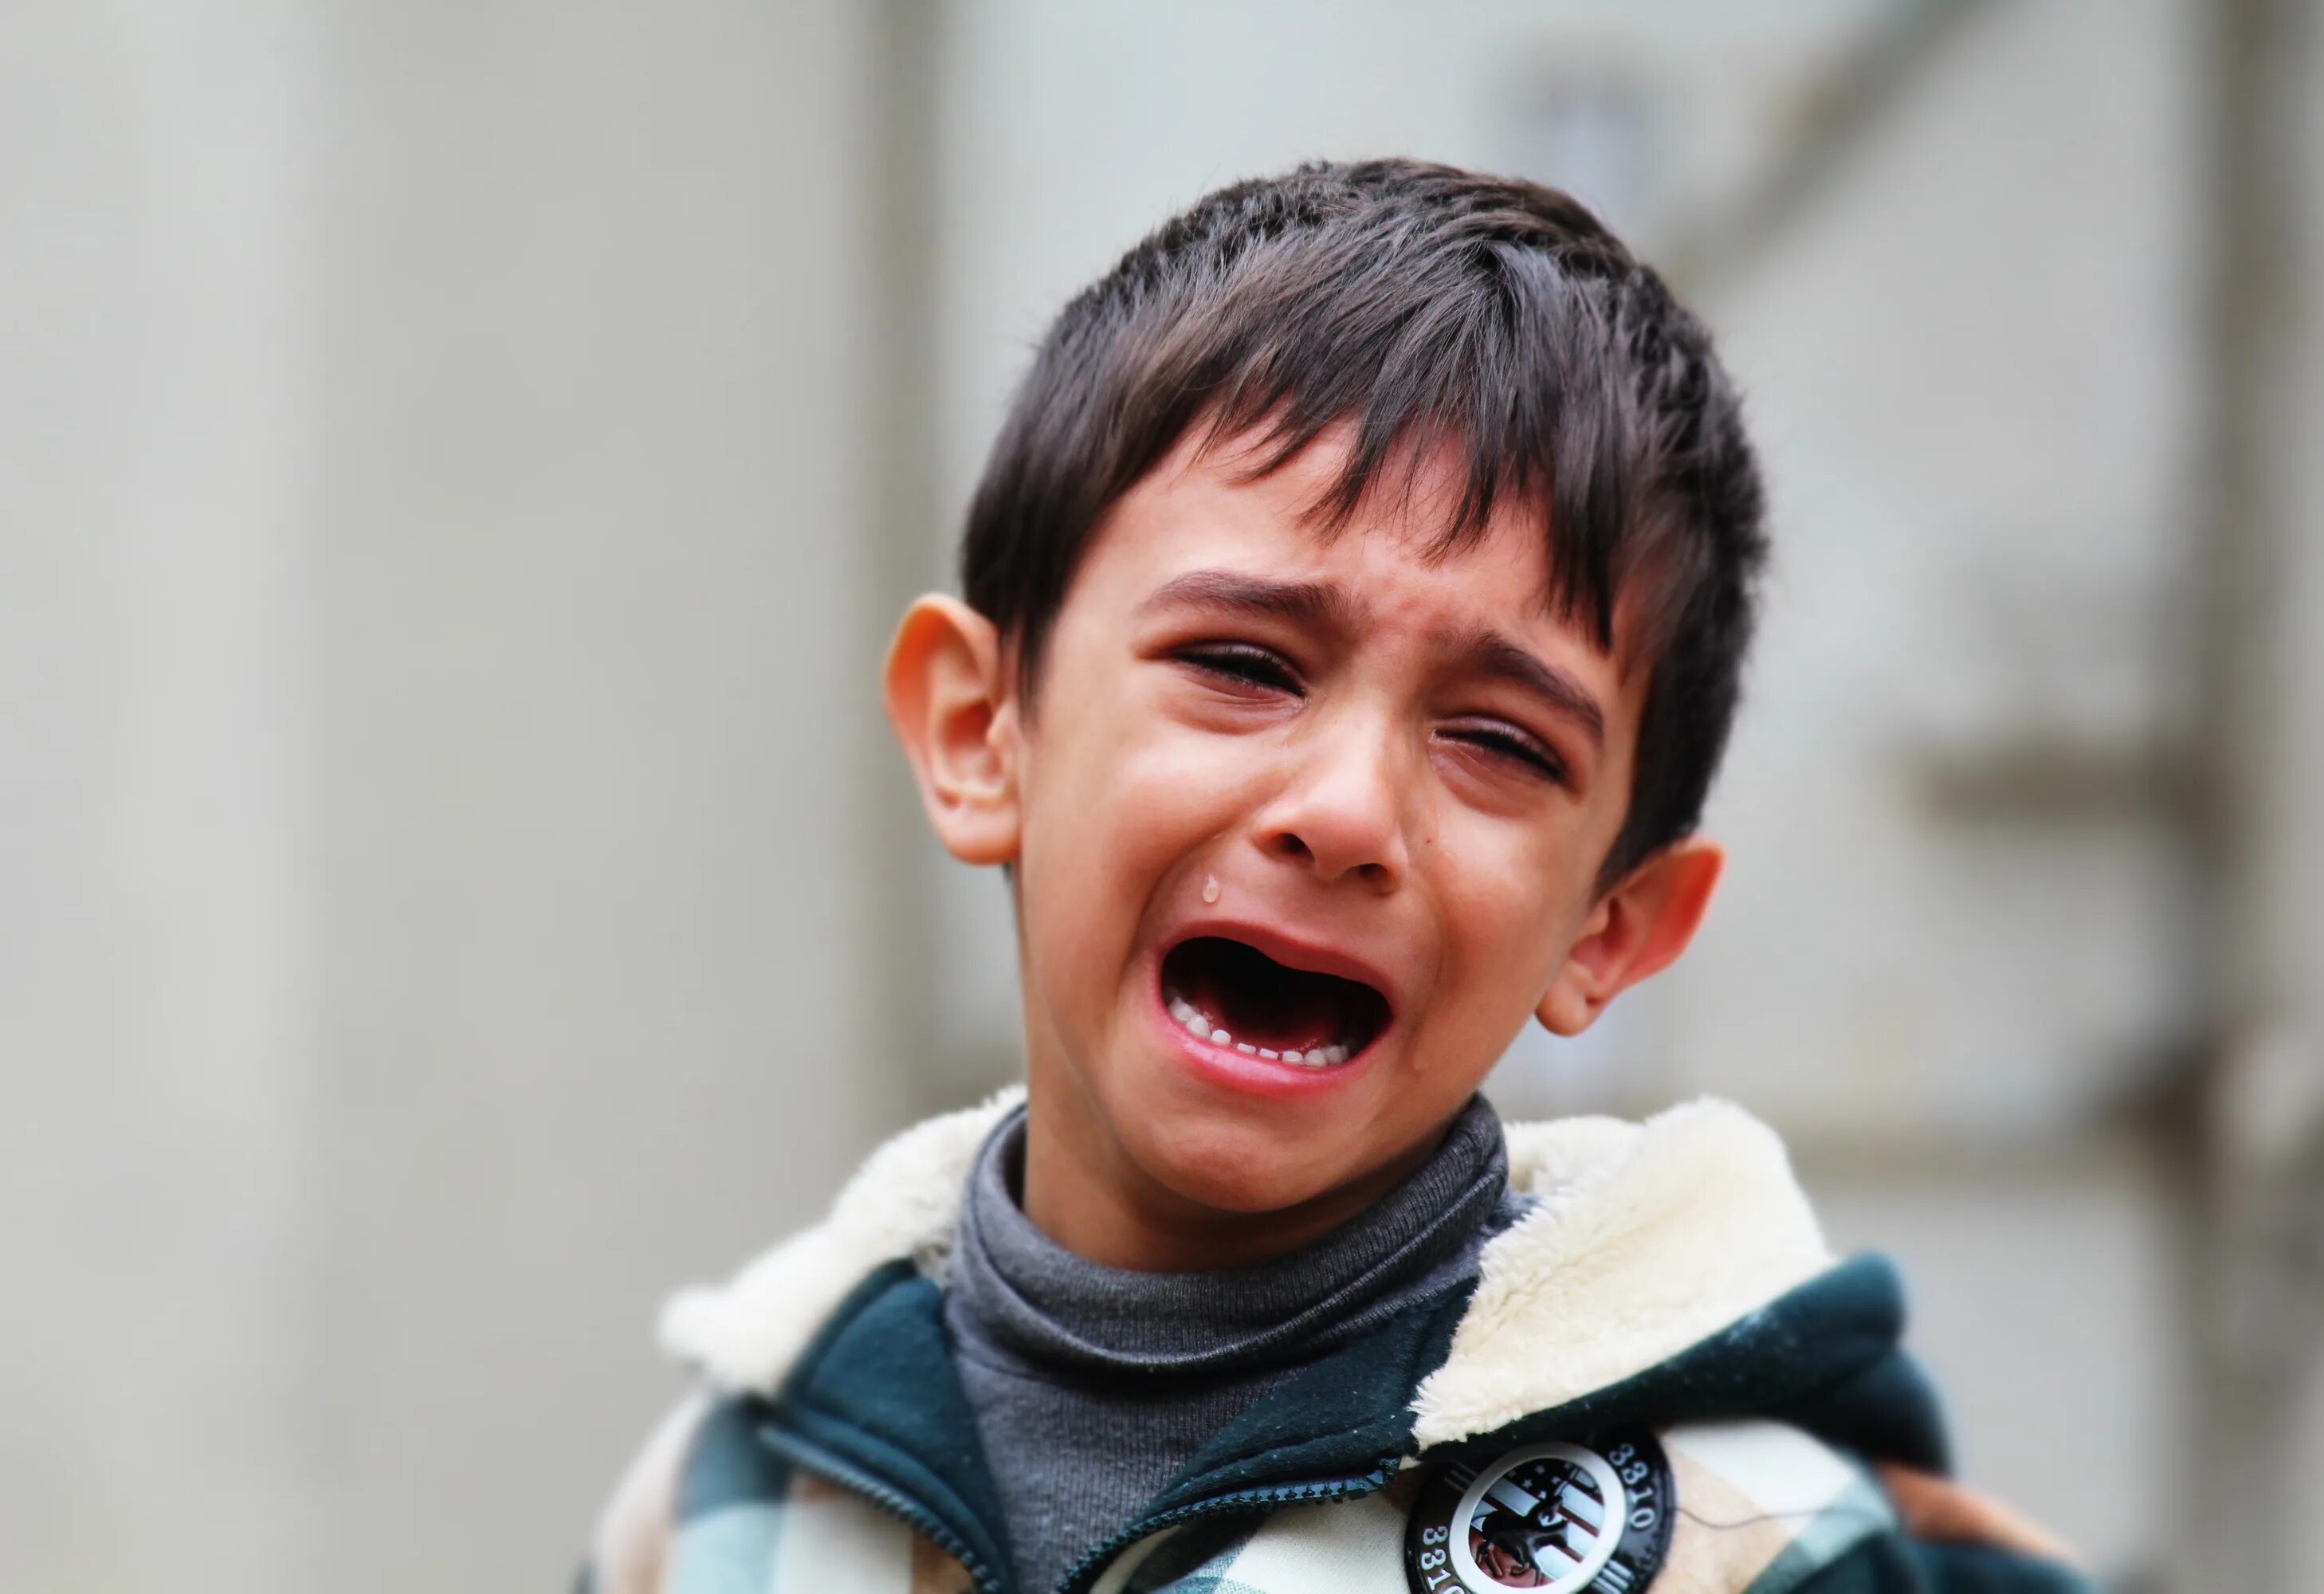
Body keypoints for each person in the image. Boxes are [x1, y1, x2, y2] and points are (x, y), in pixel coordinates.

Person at [576, 159, 2088, 1594]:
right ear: (984, 731)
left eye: (1499, 741)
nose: (1348, 811)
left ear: (1613, 927)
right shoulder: (721, 1506)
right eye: (1242, 664)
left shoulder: (1750, 1543)